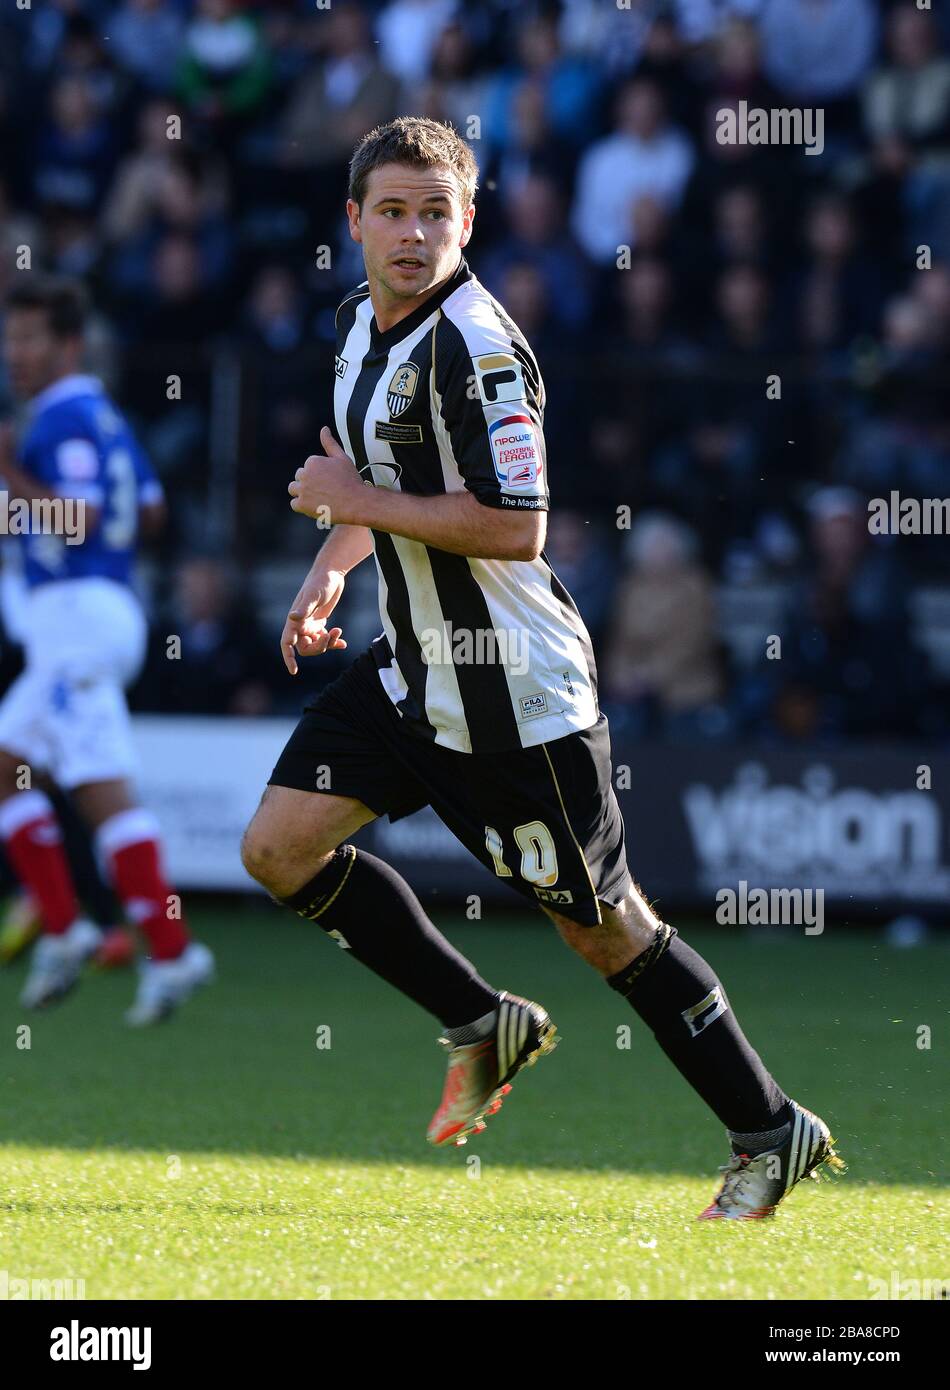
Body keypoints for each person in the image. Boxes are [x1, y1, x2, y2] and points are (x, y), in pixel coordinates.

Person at [240, 117, 843, 1219]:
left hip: (514, 695)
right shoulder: (357, 327)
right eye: (393, 211)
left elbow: (514, 525)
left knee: (604, 927)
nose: (414, 233)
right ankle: (483, 1022)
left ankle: (768, 1129)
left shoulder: (478, 347)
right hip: (413, 670)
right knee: (277, 849)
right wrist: (334, 562)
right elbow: (367, 477)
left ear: (469, 221)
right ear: (354, 223)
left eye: (436, 211)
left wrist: (351, 506)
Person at [0, 277, 213, 1024]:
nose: (14, 353)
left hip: (80, 619)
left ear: (68, 344)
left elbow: (83, 521)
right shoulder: (105, 420)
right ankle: (73, 928)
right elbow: (148, 510)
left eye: (29, 339)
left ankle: (162, 943)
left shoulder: (62, 420)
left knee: (103, 790)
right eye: (11, 337)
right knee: (11, 768)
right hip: (84, 617)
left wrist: (9, 472)